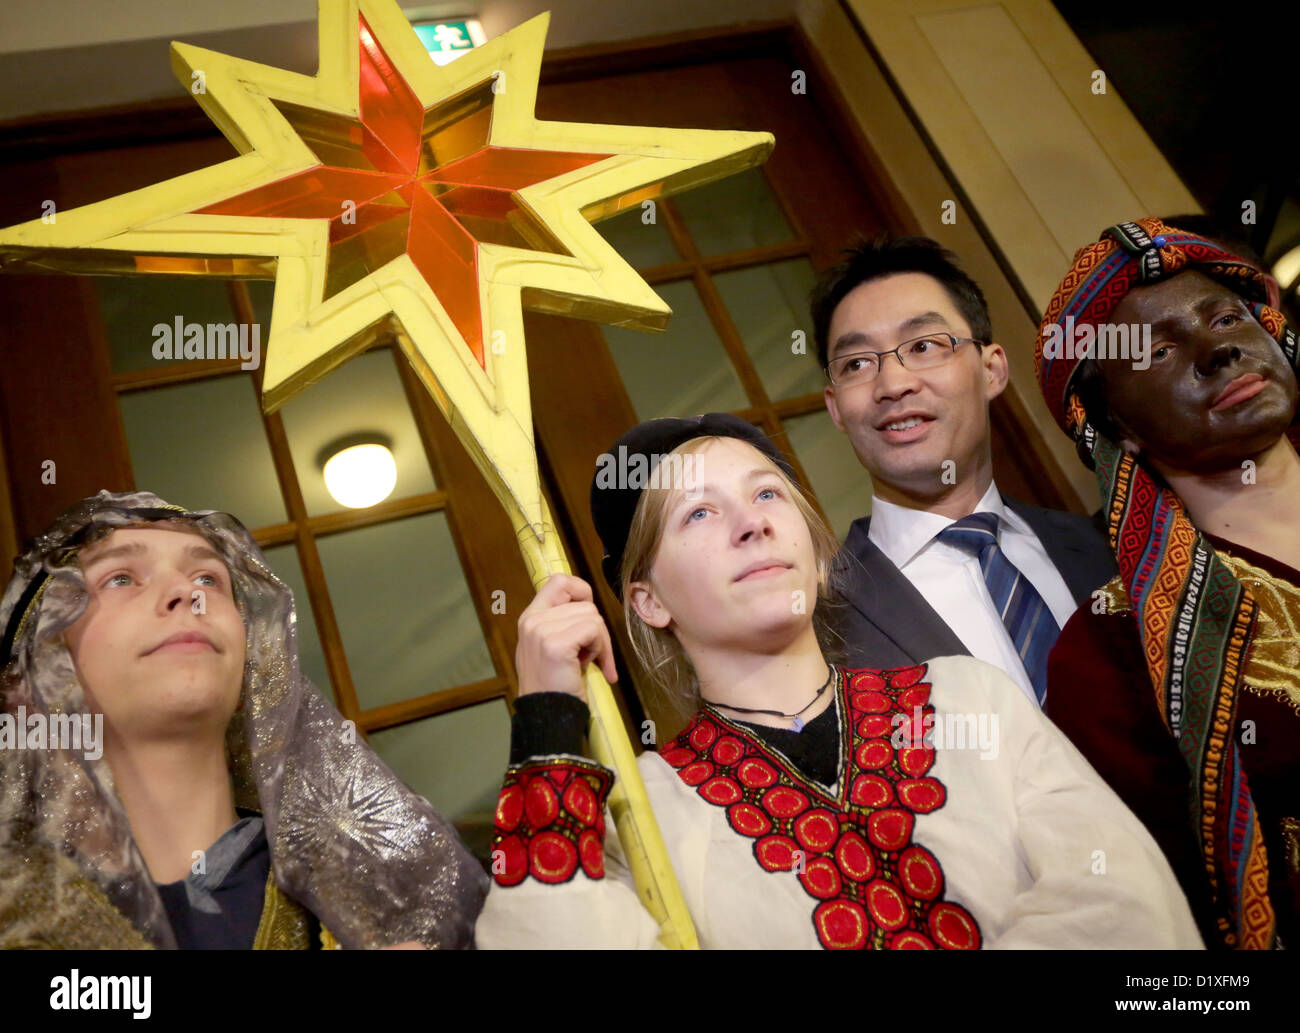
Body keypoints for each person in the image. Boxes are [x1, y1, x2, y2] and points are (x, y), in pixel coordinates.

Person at [473, 413, 1201, 949]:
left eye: (767, 495)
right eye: (699, 512)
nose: (751, 525)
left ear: (816, 556)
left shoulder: (968, 698)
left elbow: (1129, 908)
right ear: (650, 601)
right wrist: (545, 725)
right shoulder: (645, 809)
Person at [0, 490, 487, 949]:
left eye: (209, 578)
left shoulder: (377, 891)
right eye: (121, 577)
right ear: (31, 674)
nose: (186, 593)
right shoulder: (13, 910)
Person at [1036, 217, 1300, 950]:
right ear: (1120, 427)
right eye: (1159, 350)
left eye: (1226, 317)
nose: (1218, 348)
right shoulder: (1108, 654)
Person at [810, 236, 1115, 704]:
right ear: (835, 409)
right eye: (856, 363)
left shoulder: (1113, 549)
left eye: (925, 345)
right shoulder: (819, 627)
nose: (893, 383)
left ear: (991, 370)